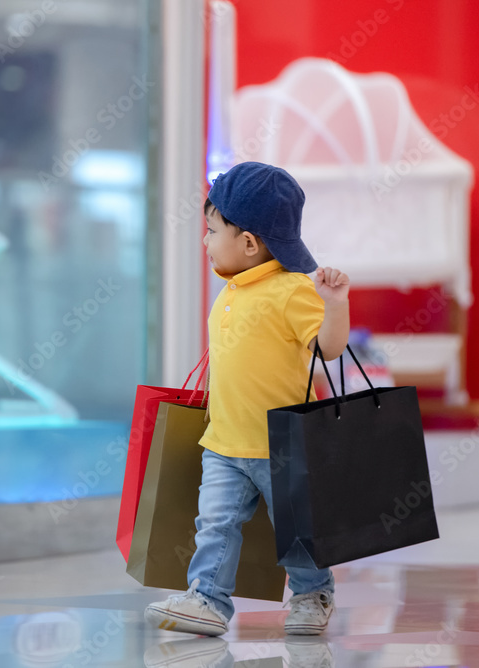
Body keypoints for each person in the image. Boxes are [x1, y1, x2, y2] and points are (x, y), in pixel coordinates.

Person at [144, 162, 351, 638]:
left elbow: (329, 348)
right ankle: (207, 599)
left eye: (212, 230)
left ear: (250, 243)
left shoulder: (292, 291)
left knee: (297, 531)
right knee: (214, 523)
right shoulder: (230, 291)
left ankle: (313, 592)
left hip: (283, 445)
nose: (205, 240)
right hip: (224, 441)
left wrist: (335, 304)